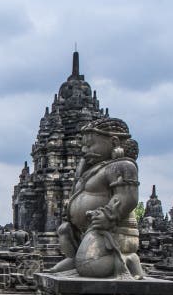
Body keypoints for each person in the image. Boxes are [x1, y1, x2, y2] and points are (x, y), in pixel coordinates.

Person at [50, 117, 144, 279]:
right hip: (85, 231)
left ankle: (128, 260)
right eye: (83, 146)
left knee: (89, 267)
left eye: (90, 145)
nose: (85, 150)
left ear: (114, 143)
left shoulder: (123, 166)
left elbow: (128, 198)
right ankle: (75, 259)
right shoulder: (93, 170)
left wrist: (108, 216)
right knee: (64, 230)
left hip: (113, 231)